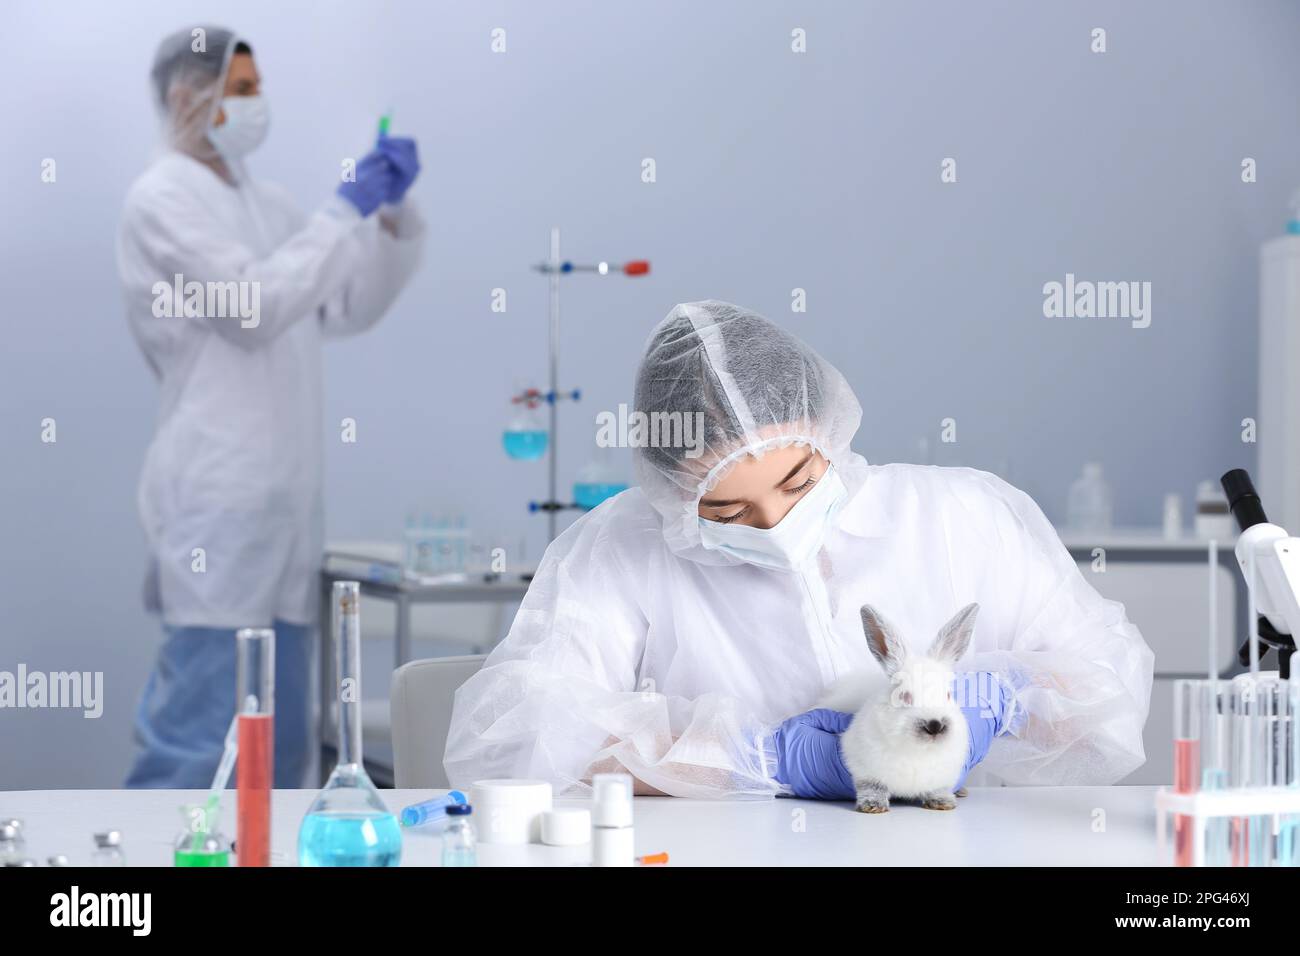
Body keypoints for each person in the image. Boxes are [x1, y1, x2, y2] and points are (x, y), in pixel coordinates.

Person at [444, 300, 1154, 799]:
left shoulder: (958, 516)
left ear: (828, 426)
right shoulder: (620, 549)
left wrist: (1008, 695)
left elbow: (1109, 697)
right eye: (727, 509)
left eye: (797, 480)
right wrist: (760, 761)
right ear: (671, 496)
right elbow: (515, 744)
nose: (777, 524)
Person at [117, 26, 424, 788]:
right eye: (242, 89)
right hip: (216, 516)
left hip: (285, 517)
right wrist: (340, 210)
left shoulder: (267, 202)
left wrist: (386, 214)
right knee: (194, 751)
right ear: (189, 98)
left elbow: (346, 301)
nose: (259, 105)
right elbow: (249, 305)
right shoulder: (159, 199)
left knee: (282, 760)